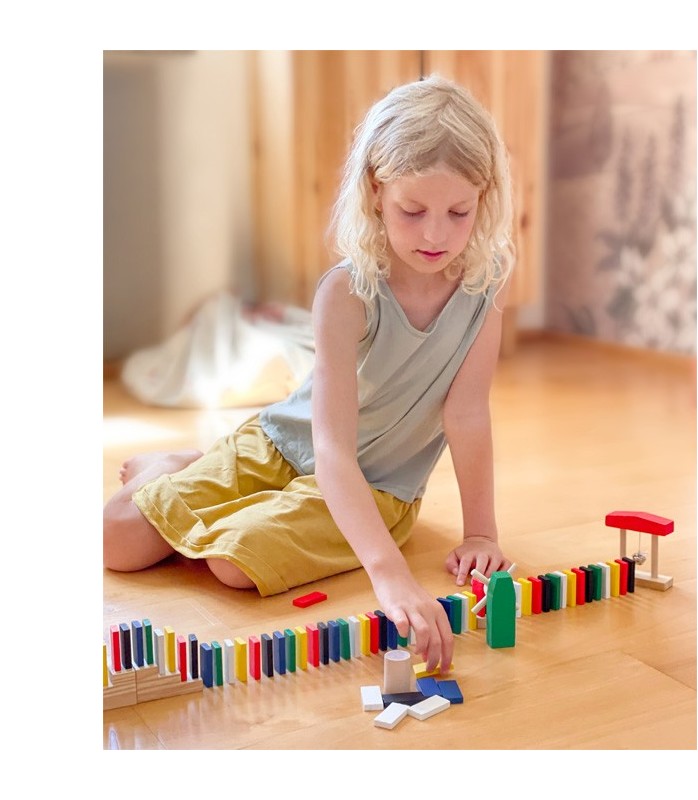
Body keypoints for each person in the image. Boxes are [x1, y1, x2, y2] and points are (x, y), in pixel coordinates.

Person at [103, 75, 515, 673]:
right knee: (116, 539)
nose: (436, 234)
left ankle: (199, 479)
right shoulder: (348, 291)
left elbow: (467, 413)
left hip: (377, 490)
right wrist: (390, 576)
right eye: (413, 209)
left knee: (232, 563)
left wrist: (482, 532)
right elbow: (330, 446)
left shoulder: (484, 285)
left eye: (459, 211)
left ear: (484, 197)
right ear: (376, 190)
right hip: (288, 443)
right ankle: (177, 466)